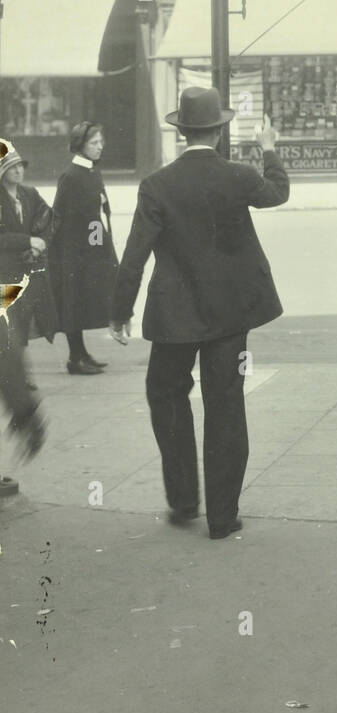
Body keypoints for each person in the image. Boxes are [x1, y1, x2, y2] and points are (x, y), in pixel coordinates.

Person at [108, 89, 288, 540]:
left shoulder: (157, 185)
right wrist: (269, 148)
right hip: (229, 314)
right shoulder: (239, 175)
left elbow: (134, 256)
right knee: (226, 402)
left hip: (175, 315)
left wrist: (119, 310)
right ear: (220, 129)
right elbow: (278, 193)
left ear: (181, 132)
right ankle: (223, 517)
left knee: (166, 394)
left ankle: (185, 498)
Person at [48, 122, 118, 375]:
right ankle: (75, 358)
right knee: (73, 303)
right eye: (94, 143)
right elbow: (60, 215)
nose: (100, 147)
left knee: (82, 301)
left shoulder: (91, 172)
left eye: (101, 142)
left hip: (89, 247)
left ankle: (81, 353)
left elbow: (95, 216)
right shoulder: (71, 176)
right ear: (80, 146)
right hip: (72, 251)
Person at [0, 140, 48, 495]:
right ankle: (26, 415)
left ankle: (25, 415)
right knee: (8, 352)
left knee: (10, 350)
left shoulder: (28, 195)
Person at [0, 142, 58, 362]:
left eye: (21, 166)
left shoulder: (30, 194)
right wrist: (28, 240)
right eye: (12, 167)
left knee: (23, 324)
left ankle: (19, 375)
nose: (18, 171)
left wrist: (41, 242)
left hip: (28, 269)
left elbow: (48, 220)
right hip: (5, 271)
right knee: (8, 324)